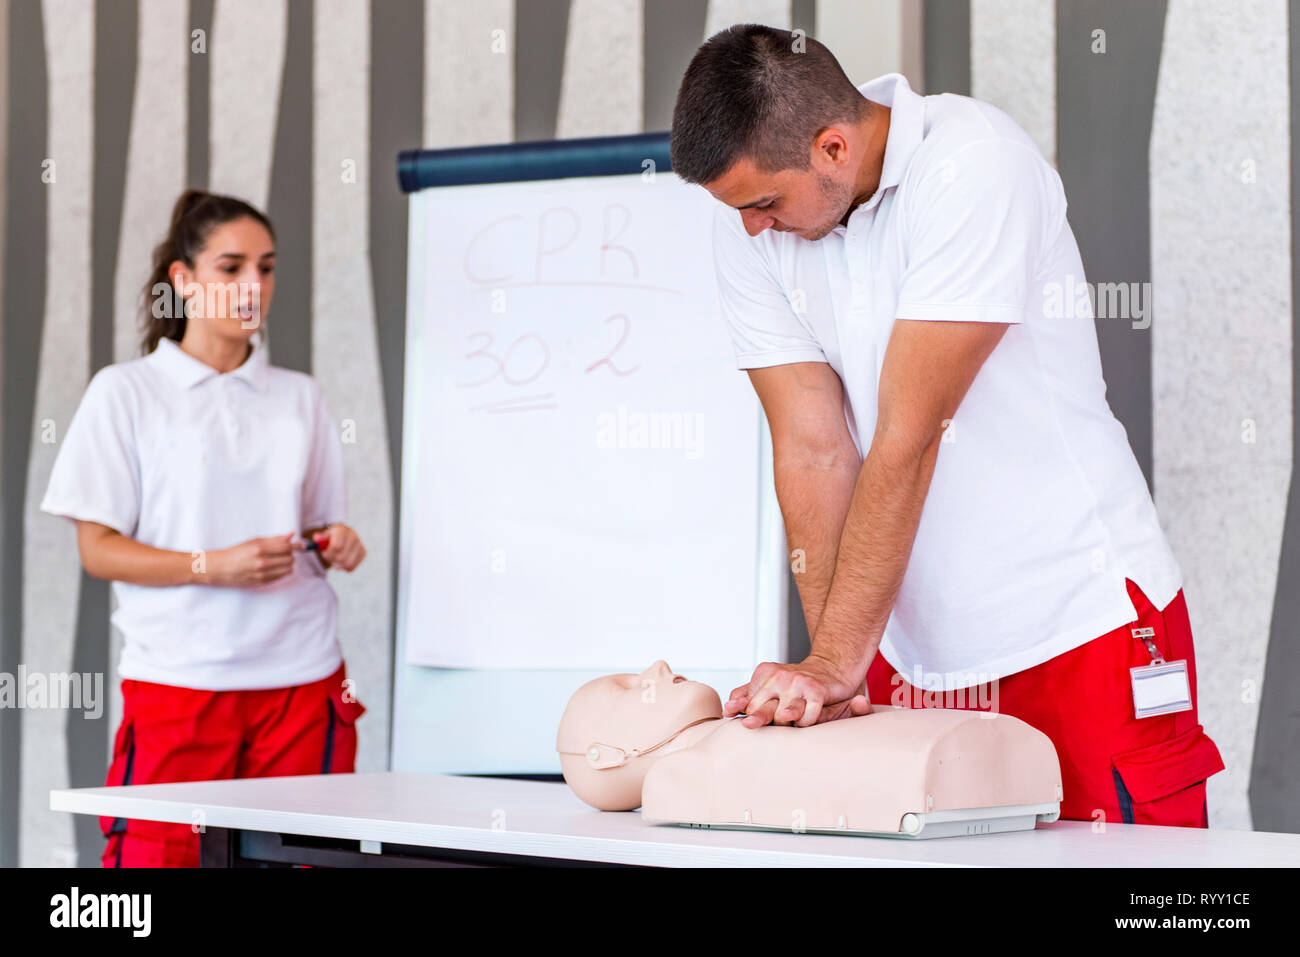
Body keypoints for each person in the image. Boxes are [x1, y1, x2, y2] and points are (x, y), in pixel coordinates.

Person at [668, 24, 1223, 827]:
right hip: (906, 650)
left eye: (762, 201)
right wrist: (841, 670)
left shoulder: (973, 165)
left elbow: (910, 434)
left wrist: (828, 661)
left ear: (832, 149)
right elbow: (813, 448)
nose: (752, 226)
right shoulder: (749, 229)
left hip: (1080, 624)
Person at [40, 189, 369, 866]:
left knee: (305, 861)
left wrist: (336, 542)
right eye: (232, 267)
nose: (255, 286)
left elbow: (315, 528)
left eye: (267, 267)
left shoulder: (300, 397)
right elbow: (97, 549)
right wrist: (212, 564)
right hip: (180, 684)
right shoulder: (124, 393)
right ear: (183, 281)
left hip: (303, 684)